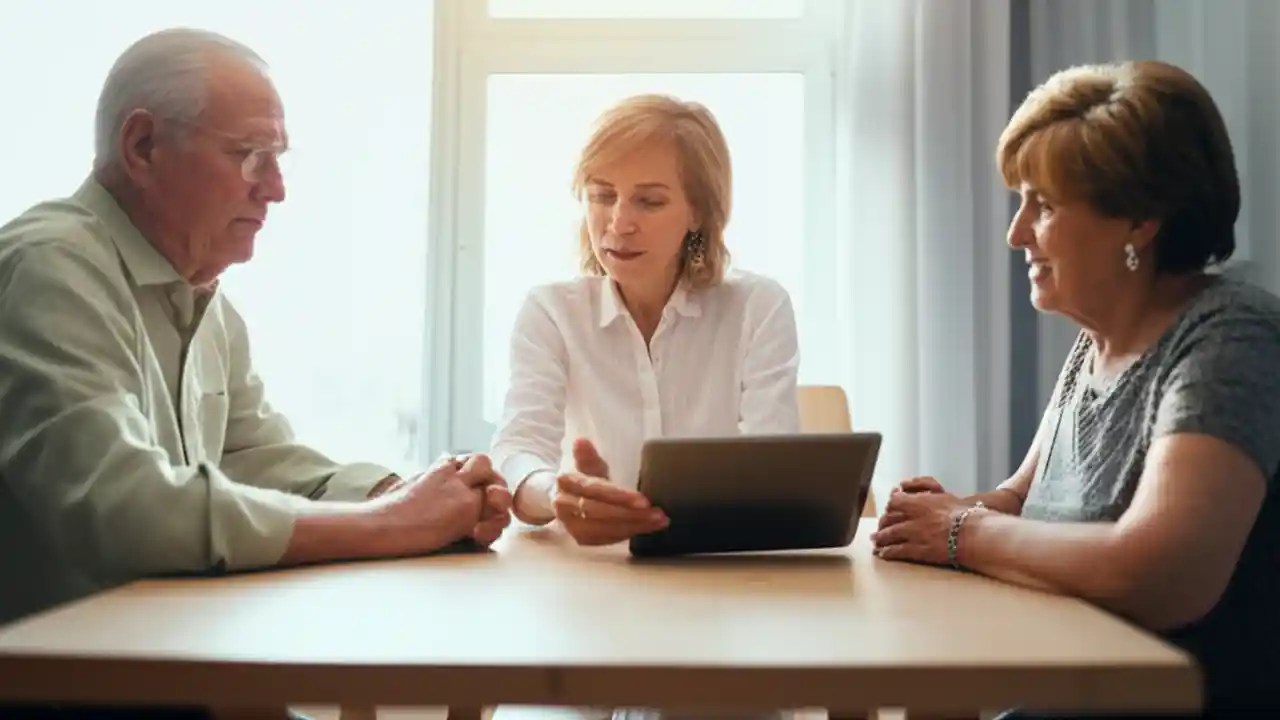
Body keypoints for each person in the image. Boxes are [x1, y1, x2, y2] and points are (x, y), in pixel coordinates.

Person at [0, 28, 511, 719]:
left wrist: (416, 494)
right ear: (142, 146)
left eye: (278, 161)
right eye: (249, 156)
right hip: (63, 693)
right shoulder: (51, 266)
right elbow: (129, 510)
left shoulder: (205, 300)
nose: (275, 191)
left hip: (167, 669)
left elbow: (256, 458)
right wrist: (390, 524)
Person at [871, 60, 1280, 718]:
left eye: (1045, 204)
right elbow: (1020, 503)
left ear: (1140, 220)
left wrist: (961, 532)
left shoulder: (1231, 340)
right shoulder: (1098, 340)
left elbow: (1161, 573)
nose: (1017, 233)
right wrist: (929, 519)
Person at [489, 93, 802, 549]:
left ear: (698, 211)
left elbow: (770, 471)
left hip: (720, 570)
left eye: (649, 202)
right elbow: (518, 450)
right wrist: (557, 493)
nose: (618, 222)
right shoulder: (551, 312)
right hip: (589, 574)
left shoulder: (758, 307)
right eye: (602, 196)